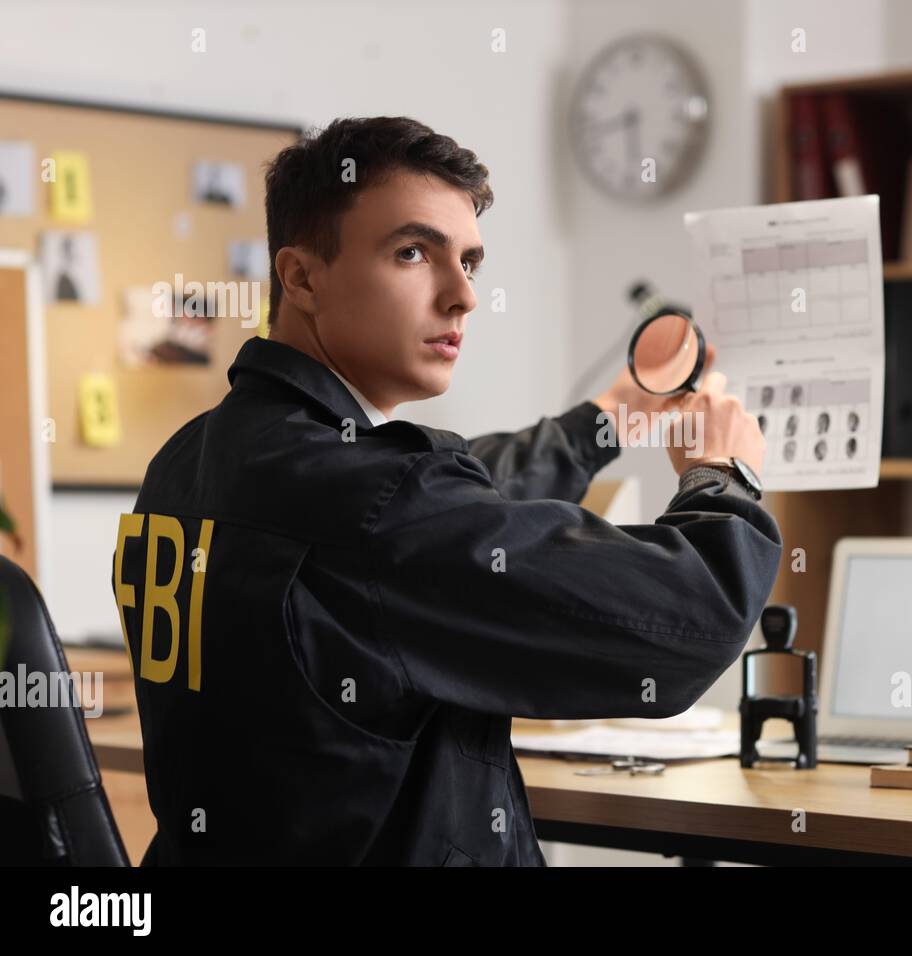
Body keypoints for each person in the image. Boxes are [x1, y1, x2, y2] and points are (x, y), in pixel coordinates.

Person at [110, 116, 780, 866]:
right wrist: (723, 478)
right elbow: (689, 620)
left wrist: (612, 419)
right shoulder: (377, 499)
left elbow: (445, 515)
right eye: (412, 253)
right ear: (300, 276)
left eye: (470, 262)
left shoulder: (192, 458)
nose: (462, 297)